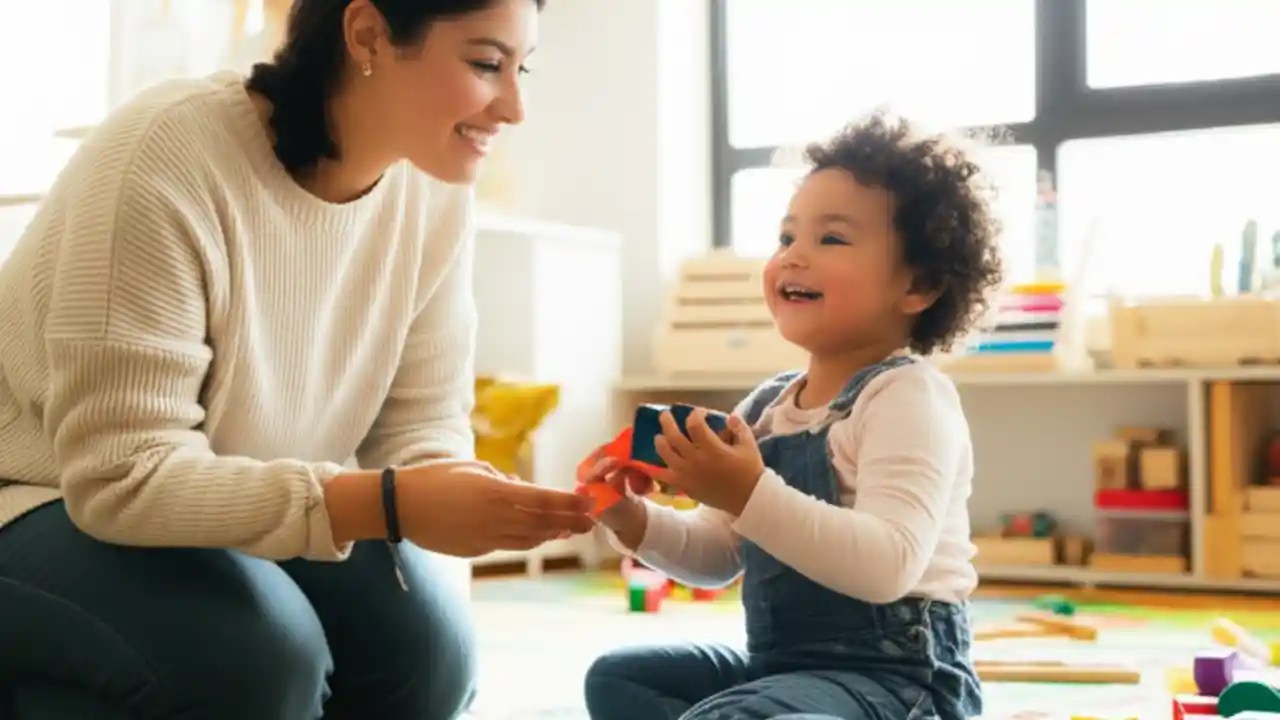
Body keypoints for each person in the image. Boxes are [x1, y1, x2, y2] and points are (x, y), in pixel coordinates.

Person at [0, 1, 597, 718]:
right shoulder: (167, 153)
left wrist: (462, 503)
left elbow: (421, 422)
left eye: (521, 67)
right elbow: (120, 477)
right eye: (485, 64)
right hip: (40, 495)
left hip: (218, 508)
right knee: (257, 656)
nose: (515, 107)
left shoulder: (433, 188)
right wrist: (387, 502)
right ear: (368, 35)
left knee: (429, 653)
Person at [580, 112, 1005, 720]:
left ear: (920, 284)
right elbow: (714, 555)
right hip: (785, 672)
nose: (794, 257)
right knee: (623, 680)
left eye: (830, 239)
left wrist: (749, 489)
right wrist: (628, 516)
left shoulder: (907, 398)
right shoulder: (767, 408)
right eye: (786, 239)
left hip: (902, 683)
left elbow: (888, 565)